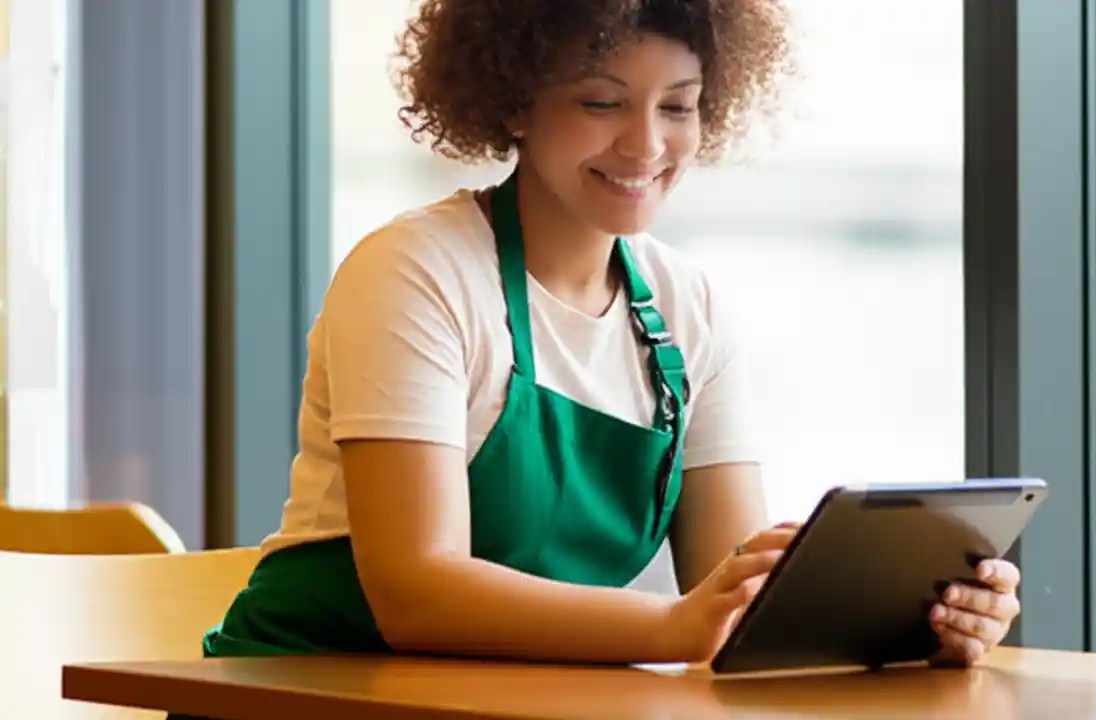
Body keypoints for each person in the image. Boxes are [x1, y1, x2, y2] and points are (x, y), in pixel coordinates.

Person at [201, 0, 1022, 670]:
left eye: (678, 106)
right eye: (601, 102)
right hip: (304, 692)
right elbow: (415, 592)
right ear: (516, 100)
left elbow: (735, 597)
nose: (645, 144)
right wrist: (671, 628)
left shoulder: (686, 304)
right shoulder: (416, 271)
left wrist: (926, 627)